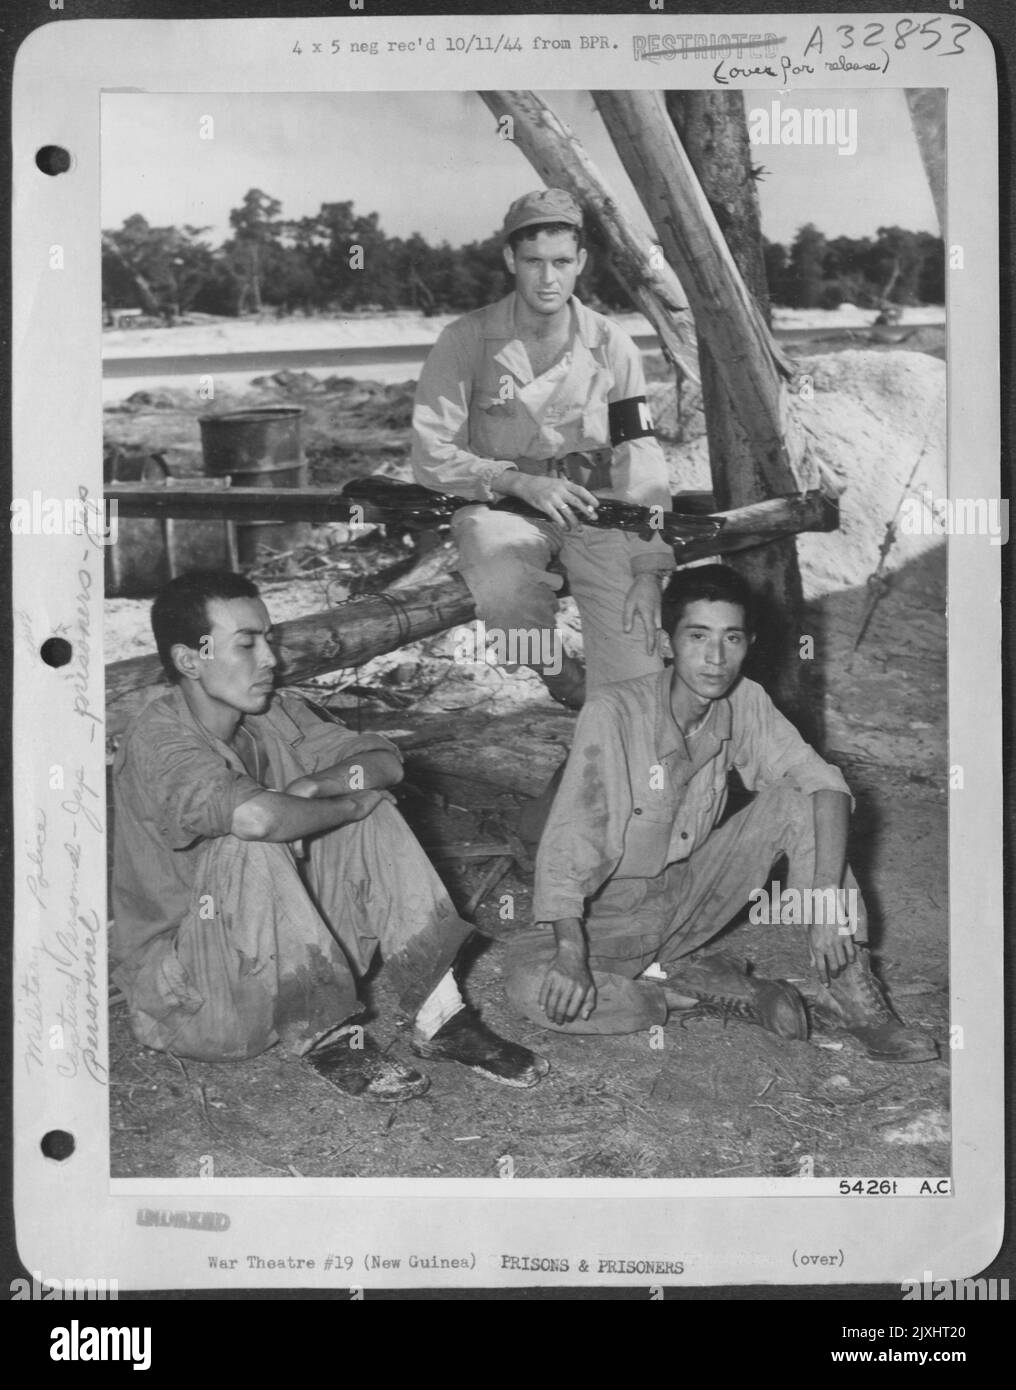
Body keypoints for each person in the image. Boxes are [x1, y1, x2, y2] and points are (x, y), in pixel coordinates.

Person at [111, 570, 549, 1101]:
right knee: (253, 836)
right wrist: (341, 802)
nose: (270, 658)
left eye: (268, 639)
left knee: (371, 813)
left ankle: (441, 1017)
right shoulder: (160, 739)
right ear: (188, 660)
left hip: (283, 969)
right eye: (246, 644)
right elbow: (257, 820)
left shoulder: (272, 711)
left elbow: (383, 761)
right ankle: (329, 1036)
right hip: (200, 999)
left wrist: (321, 785)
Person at [504, 564, 938, 1065]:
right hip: (606, 917)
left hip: (690, 897)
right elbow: (570, 845)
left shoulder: (744, 700)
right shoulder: (613, 713)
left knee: (799, 797)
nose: (715, 658)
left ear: (747, 643)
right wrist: (571, 952)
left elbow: (825, 784)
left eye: (731, 638)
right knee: (533, 989)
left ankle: (848, 989)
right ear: (668, 644)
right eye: (697, 636)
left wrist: (824, 904)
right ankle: (684, 992)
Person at [411, 187, 675, 709]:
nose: (547, 278)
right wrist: (516, 480)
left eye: (560, 262)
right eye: (533, 261)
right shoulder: (466, 339)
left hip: (598, 506)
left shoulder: (611, 344)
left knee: (638, 656)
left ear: (581, 262)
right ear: (511, 259)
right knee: (502, 585)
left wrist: (650, 566)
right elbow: (430, 453)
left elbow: (639, 457)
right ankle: (562, 680)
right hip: (506, 506)